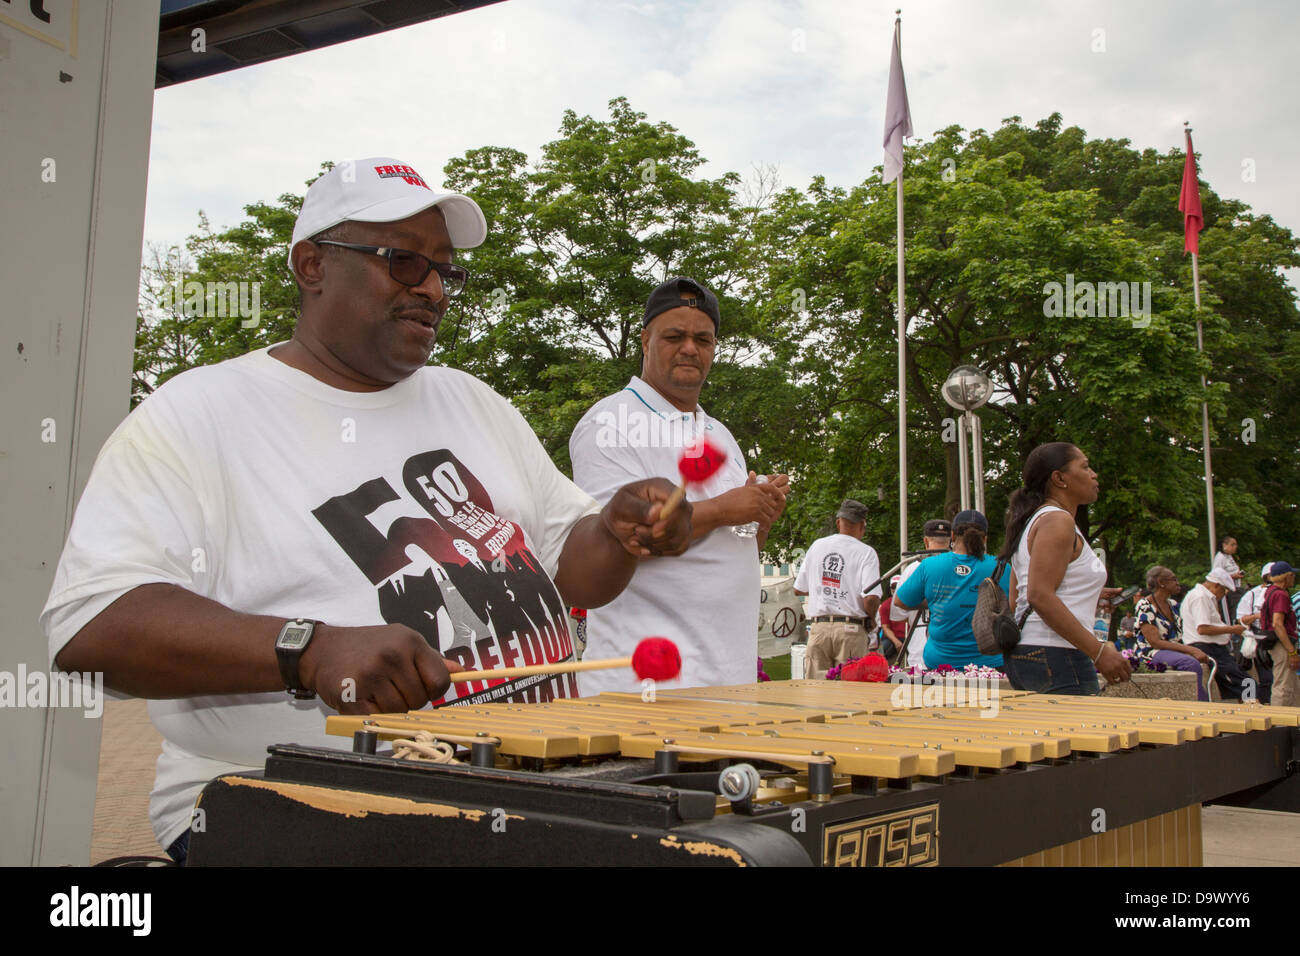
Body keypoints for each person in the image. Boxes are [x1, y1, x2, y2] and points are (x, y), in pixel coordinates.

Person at [39, 157, 693, 864]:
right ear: (312, 265)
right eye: (404, 262)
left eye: (446, 270)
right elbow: (91, 624)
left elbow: (573, 570)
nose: (435, 289)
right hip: (298, 816)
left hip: (525, 805)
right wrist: (308, 649)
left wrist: (622, 530)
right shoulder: (197, 416)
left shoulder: (470, 400)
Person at [569, 277, 788, 695]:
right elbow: (617, 542)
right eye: (675, 335)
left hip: (729, 682)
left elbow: (728, 552)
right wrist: (727, 508)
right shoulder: (610, 424)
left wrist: (759, 518)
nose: (690, 347)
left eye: (703, 339)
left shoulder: (719, 434)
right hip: (644, 689)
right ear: (645, 340)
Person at [999, 442, 1130, 694]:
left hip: (1034, 652)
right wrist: (1099, 651)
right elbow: (1039, 595)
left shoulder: (1034, 520)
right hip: (1057, 654)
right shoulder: (1058, 521)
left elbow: (1018, 598)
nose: (1094, 474)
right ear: (1059, 478)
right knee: (1080, 733)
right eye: (1085, 466)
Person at [892, 510, 1008, 670]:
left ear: (952, 536)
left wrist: (935, 600)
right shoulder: (1001, 567)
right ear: (985, 539)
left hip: (941, 663)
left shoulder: (930, 565)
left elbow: (900, 601)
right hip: (990, 662)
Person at [793, 500, 881, 679]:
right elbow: (871, 597)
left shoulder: (817, 546)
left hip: (819, 629)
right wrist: (871, 619)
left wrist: (825, 588)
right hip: (851, 630)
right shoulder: (866, 552)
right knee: (850, 693)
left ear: (838, 522)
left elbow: (799, 589)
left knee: (816, 693)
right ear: (862, 526)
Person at [1132, 567, 1210, 701]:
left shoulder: (1173, 605)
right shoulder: (1145, 605)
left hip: (1172, 651)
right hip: (1151, 652)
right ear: (1161, 582)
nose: (1178, 583)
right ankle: (1203, 707)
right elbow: (1154, 642)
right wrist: (1191, 650)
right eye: (1174, 579)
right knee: (1190, 664)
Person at [889, 518, 952, 668]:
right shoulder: (961, 567)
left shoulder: (912, 569)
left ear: (925, 541)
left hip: (920, 656)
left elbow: (897, 613)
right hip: (953, 654)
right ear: (952, 540)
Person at [1180, 568, 1249, 701]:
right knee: (1247, 684)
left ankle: (1247, 708)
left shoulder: (1204, 597)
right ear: (1216, 585)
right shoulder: (1200, 597)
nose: (1224, 594)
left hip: (1216, 648)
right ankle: (1253, 712)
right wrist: (1232, 629)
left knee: (1244, 682)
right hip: (1207, 647)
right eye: (1224, 590)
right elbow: (1203, 628)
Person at [1261, 561, 1300, 707]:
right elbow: (1277, 623)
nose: (1294, 578)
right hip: (1282, 643)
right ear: (1286, 577)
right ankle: (1279, 722)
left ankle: (1295, 720)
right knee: (1283, 685)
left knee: (1293, 684)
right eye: (1292, 575)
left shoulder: (1271, 591)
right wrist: (1291, 651)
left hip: (1278, 642)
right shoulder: (1280, 595)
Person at [1235, 562, 1275, 702]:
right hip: (1255, 641)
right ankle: (1254, 705)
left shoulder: (1281, 594)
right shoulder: (1252, 594)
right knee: (1258, 678)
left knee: (1270, 679)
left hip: (1274, 640)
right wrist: (1257, 616)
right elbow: (1240, 620)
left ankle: (1266, 704)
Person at [1213, 535, 1246, 622]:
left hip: (1235, 589)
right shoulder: (1220, 557)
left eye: (1236, 545)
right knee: (1229, 614)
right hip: (1226, 591)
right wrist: (1232, 576)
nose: (1235, 547)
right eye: (1232, 544)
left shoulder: (1229, 557)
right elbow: (1217, 575)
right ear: (1225, 545)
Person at [876, 575, 908, 662]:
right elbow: (885, 627)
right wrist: (896, 641)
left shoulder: (911, 602)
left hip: (909, 636)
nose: (896, 589)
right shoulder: (885, 605)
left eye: (898, 586)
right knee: (883, 647)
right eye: (893, 586)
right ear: (890, 588)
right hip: (894, 637)